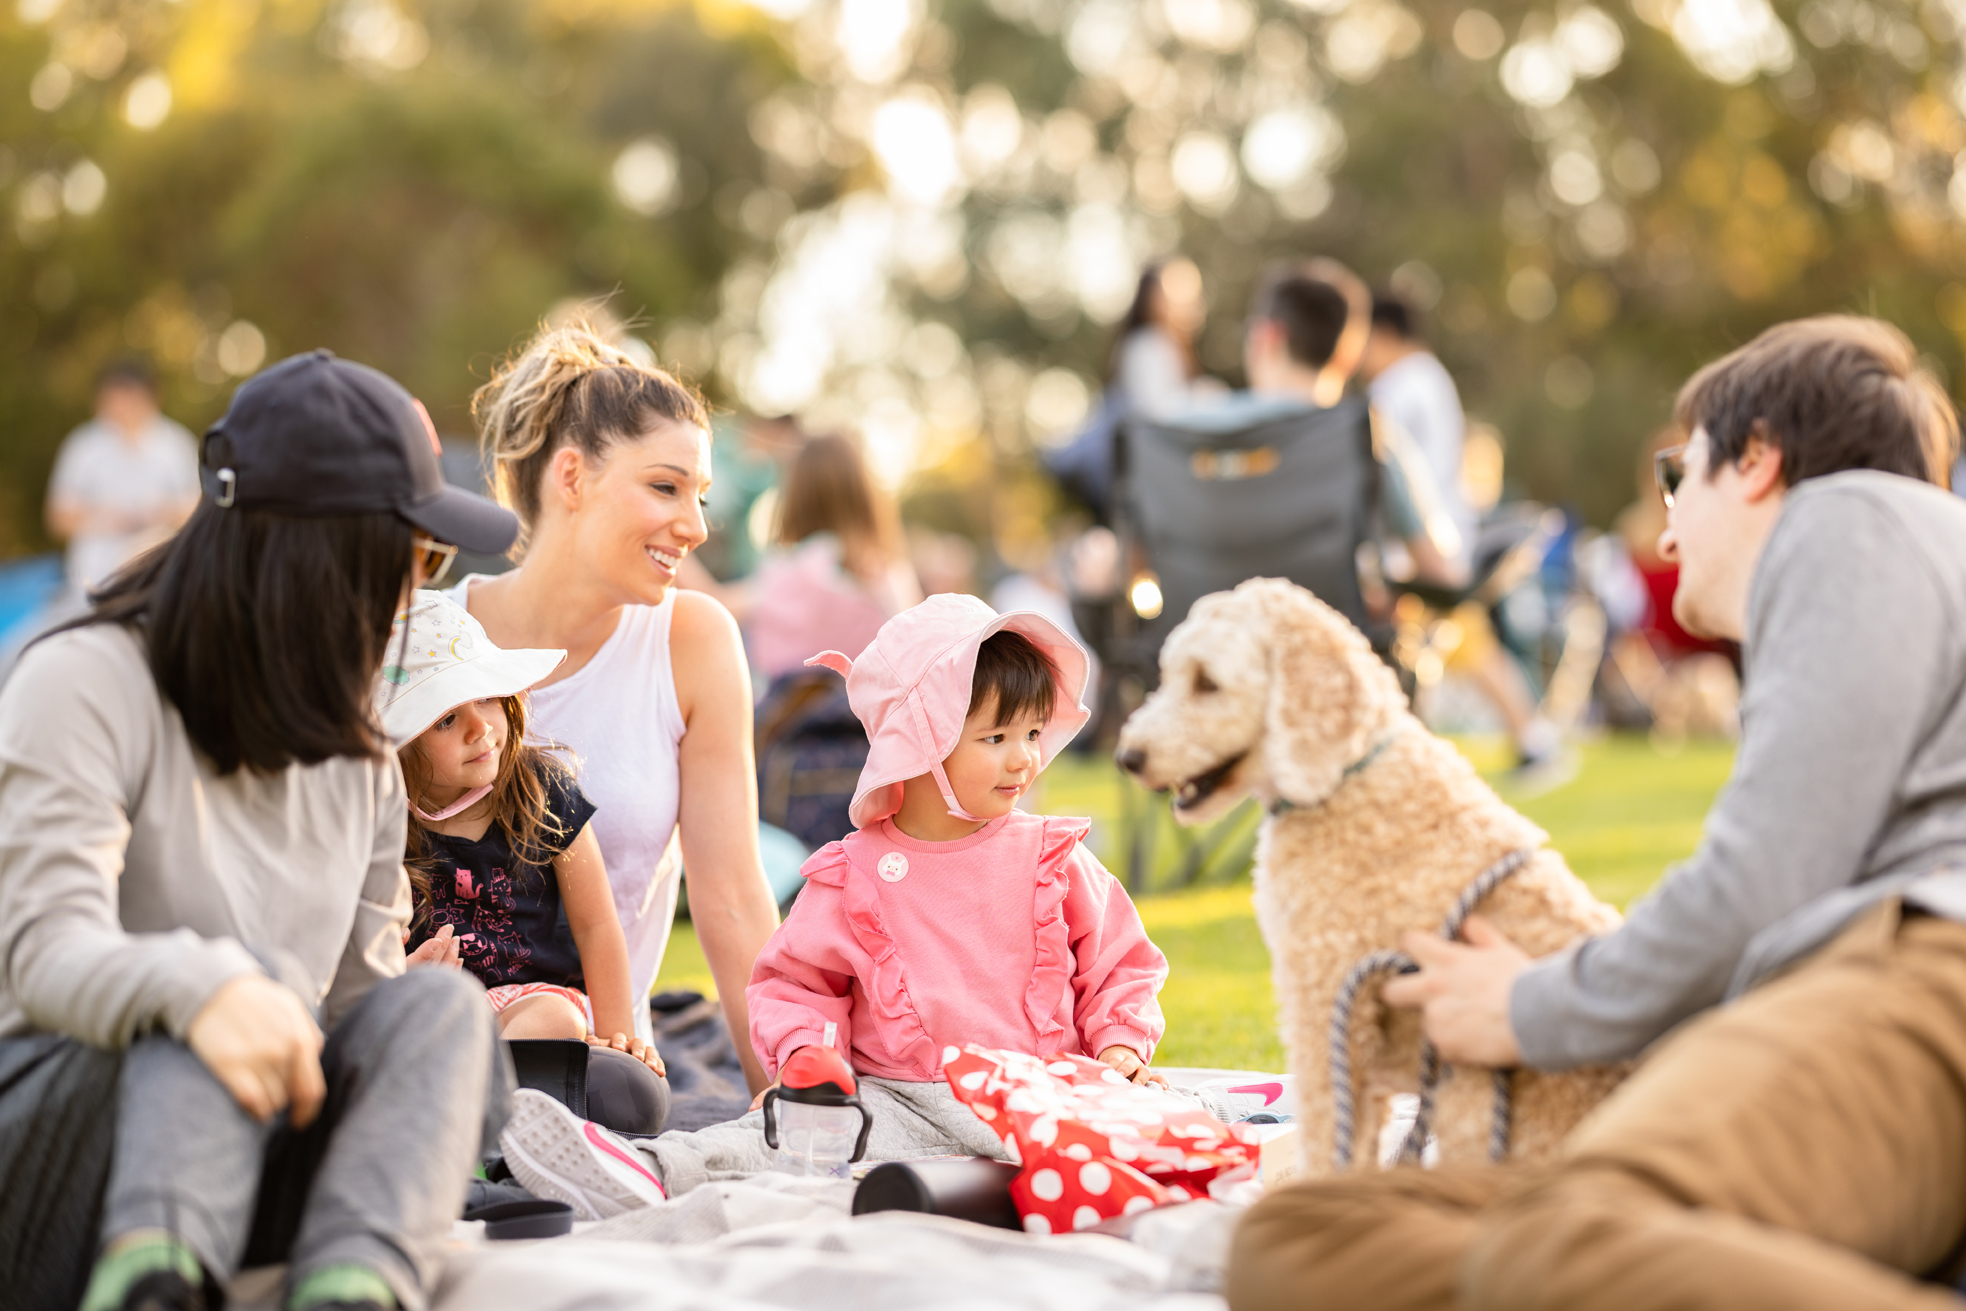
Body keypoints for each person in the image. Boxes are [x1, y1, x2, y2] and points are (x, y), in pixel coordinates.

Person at [1227, 315, 1966, 1311]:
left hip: (1926, 979)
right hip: (1862, 1025)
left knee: (1567, 1244)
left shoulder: (1849, 519)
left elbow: (1757, 885)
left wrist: (1530, 1006)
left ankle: (1568, 1258)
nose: (1662, 530)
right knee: (1299, 1236)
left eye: (1676, 475)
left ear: (1756, 458)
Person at [0, 350, 519, 1311]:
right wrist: (209, 989)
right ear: (320, 555)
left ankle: (353, 1287)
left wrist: (425, 1055)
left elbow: (358, 1015)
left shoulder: (363, 755)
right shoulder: (82, 681)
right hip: (52, 1160)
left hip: (248, 1151)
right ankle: (151, 1282)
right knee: (233, 981)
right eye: (417, 560)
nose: (419, 596)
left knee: (440, 1015)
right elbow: (43, 951)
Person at [490, 594, 1171, 1210]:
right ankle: (642, 1169)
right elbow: (797, 982)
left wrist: (1118, 1046)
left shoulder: (1053, 856)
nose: (1024, 759)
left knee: (1152, 1127)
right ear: (922, 742)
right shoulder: (856, 875)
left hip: (1044, 1095)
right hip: (900, 1098)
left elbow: (1120, 963)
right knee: (772, 1136)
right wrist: (810, 1060)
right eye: (995, 739)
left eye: (1030, 734)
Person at [452, 321, 781, 1083]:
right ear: (571, 478)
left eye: (699, 496)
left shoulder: (693, 641)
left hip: (601, 1076)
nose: (695, 527)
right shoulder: (431, 639)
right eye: (665, 486)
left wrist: (790, 1109)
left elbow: (731, 899)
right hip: (432, 1059)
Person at [378, 595, 668, 1096]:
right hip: (435, 1013)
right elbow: (363, 952)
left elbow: (597, 925)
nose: (480, 727)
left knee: (568, 1030)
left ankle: (489, 1108)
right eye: (445, 719)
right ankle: (483, 1110)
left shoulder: (543, 790)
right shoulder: (382, 825)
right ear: (400, 744)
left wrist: (621, 1037)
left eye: (486, 698)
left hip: (533, 1007)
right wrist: (400, 977)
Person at [1233, 259, 1467, 591]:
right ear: (1350, 353)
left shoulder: (1182, 437)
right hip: (1327, 636)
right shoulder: (1369, 436)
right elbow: (1441, 573)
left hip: (1211, 638)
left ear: (1264, 337)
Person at [711, 431, 923, 682]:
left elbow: (716, 606)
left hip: (794, 716)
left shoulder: (797, 571)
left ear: (797, 494)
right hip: (871, 718)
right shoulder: (891, 575)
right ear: (864, 492)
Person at [44, 357, 200, 596]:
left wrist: (160, 514)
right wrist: (103, 518)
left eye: (129, 397)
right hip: (91, 580)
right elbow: (57, 518)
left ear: (151, 397)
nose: (121, 406)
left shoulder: (176, 444)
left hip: (160, 579)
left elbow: (198, 510)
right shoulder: (82, 445)